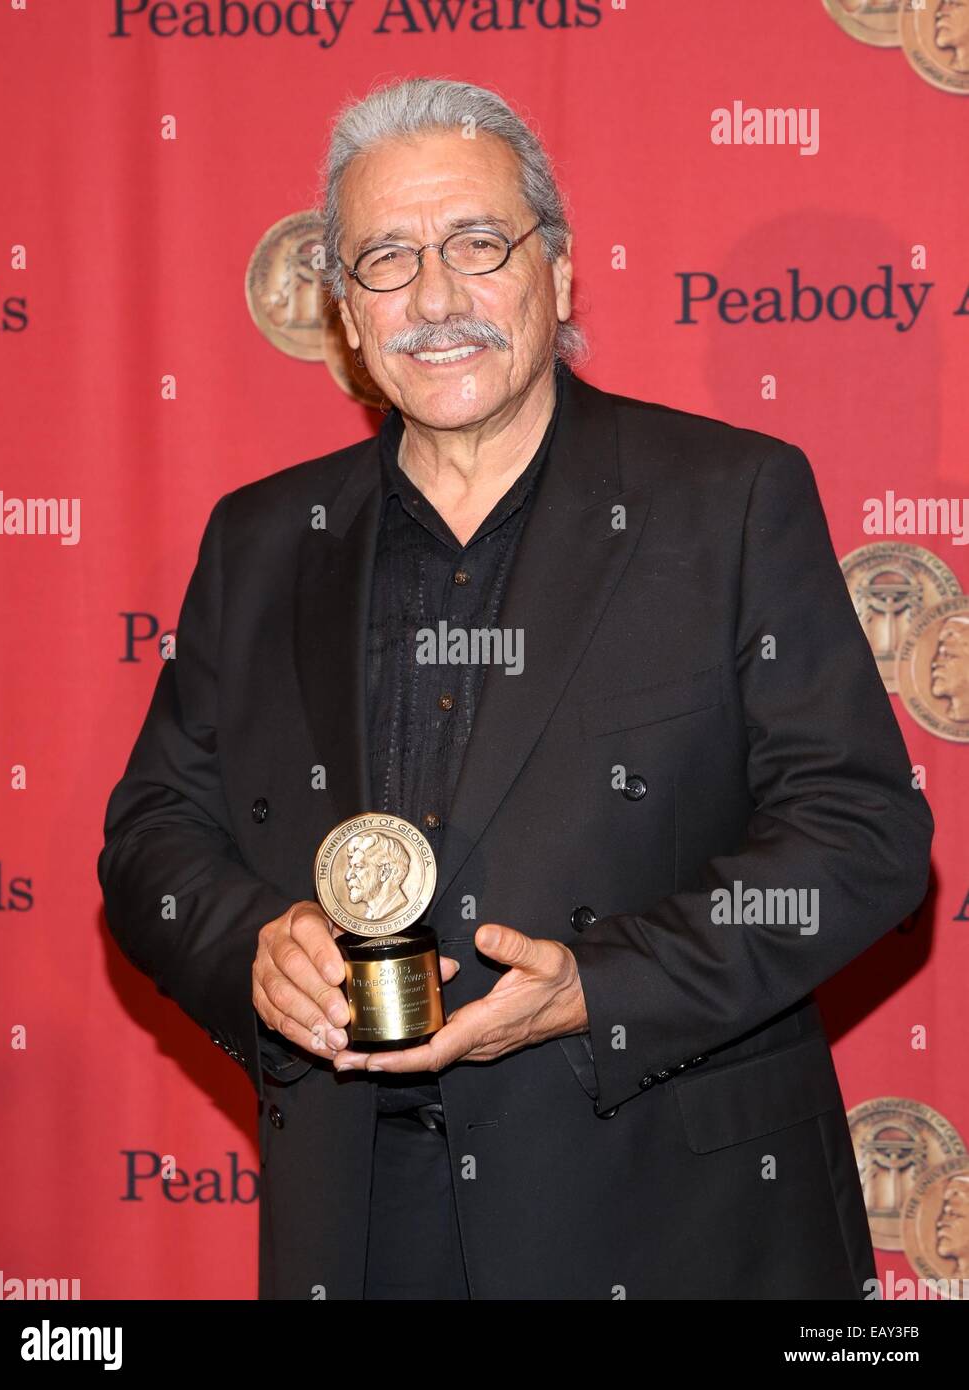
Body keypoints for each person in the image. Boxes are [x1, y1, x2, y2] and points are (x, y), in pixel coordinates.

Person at [98, 76, 934, 1300]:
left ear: (559, 269)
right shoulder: (263, 539)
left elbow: (861, 840)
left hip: (670, 1217)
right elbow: (152, 836)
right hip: (360, 1226)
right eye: (385, 258)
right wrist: (251, 949)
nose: (434, 298)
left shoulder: (726, 500)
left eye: (476, 244)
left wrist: (597, 986)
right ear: (342, 308)